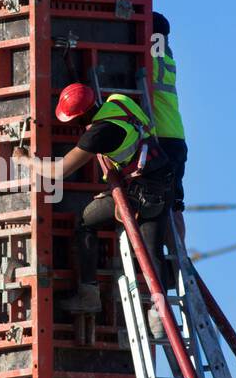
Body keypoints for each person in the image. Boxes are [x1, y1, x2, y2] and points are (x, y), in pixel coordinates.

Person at [14, 82, 174, 326]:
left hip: (142, 194)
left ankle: (88, 294)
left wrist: (27, 161)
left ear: (81, 116)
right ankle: (160, 316)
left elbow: (59, 170)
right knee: (154, 256)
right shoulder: (119, 99)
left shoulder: (98, 134)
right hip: (162, 180)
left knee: (86, 222)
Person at [151, 12, 188, 245]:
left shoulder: (150, 60)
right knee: (174, 202)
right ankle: (181, 255)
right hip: (175, 136)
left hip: (159, 137)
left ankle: (174, 253)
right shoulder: (168, 59)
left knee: (157, 201)